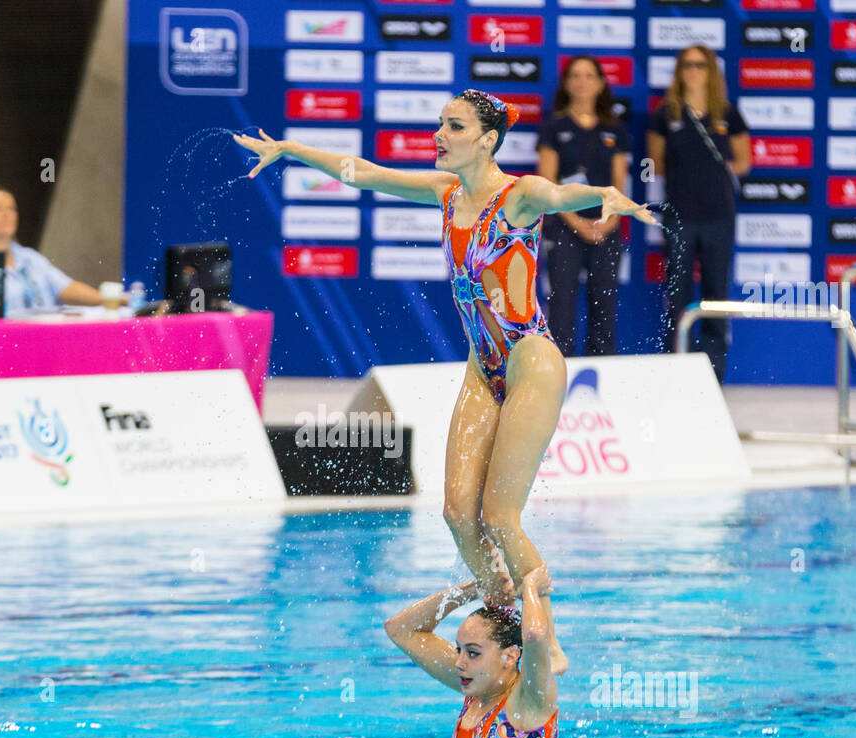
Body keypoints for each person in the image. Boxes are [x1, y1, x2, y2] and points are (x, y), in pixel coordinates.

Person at [235, 92, 654, 674]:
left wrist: (606, 197)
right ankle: (501, 603)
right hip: (483, 366)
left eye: (454, 126)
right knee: (459, 514)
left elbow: (562, 195)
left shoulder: (518, 195)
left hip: (531, 358)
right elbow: (367, 175)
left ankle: (547, 641)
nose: (440, 134)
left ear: (487, 139)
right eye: (440, 124)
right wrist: (289, 150)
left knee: (501, 518)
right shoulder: (445, 192)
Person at [384, 566, 558, 738]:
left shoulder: (528, 702)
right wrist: (472, 589)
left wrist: (531, 587)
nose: (459, 662)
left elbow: (533, 636)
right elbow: (400, 629)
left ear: (510, 656)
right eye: (459, 650)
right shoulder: (477, 690)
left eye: (473, 653)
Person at [647, 45, 751, 384]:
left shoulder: (728, 113)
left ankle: (712, 375)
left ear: (711, 71)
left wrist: (712, 173)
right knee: (676, 297)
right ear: (679, 71)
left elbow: (744, 161)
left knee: (716, 295)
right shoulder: (665, 114)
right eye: (687, 65)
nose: (693, 71)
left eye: (700, 65)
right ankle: (674, 371)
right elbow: (656, 164)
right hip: (680, 217)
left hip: (719, 216)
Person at [536, 55, 632, 356]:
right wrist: (576, 222)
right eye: (575, 75)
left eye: (589, 75)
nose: (582, 82)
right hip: (564, 228)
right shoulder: (554, 127)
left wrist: (609, 221)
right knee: (562, 303)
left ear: (601, 84)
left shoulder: (615, 130)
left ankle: (603, 372)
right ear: (566, 83)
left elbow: (619, 183)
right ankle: (558, 373)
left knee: (604, 304)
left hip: (605, 227)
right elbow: (547, 183)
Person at [0, 188, 112, 313]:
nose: (7, 214)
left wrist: (113, 299)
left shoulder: (29, 257)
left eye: (12, 209)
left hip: (42, 339)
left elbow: (65, 286)